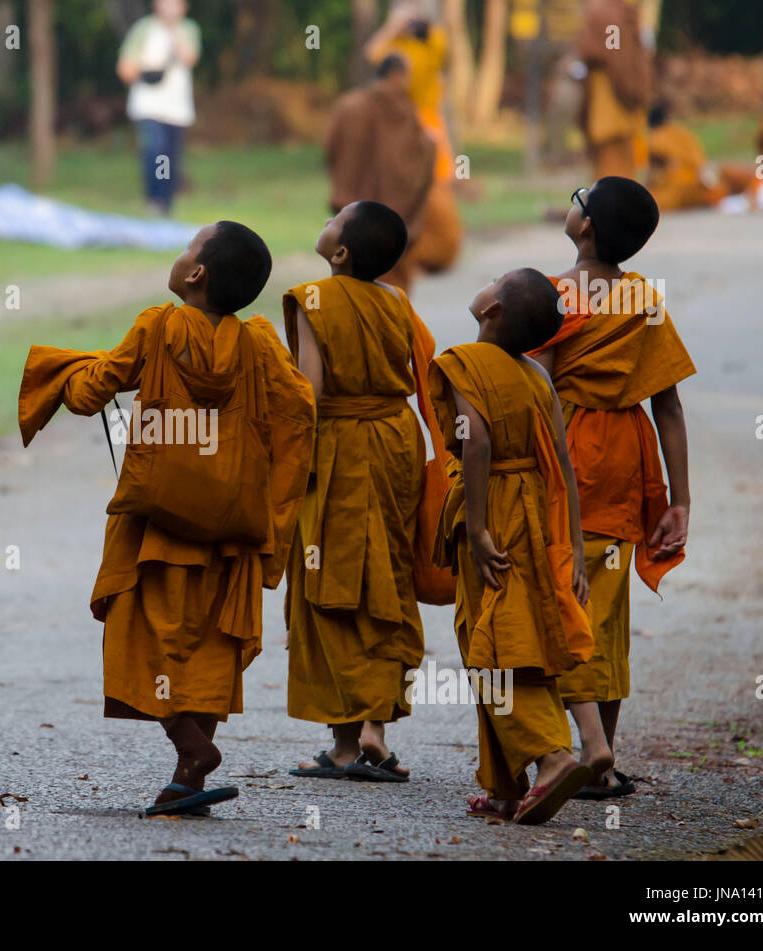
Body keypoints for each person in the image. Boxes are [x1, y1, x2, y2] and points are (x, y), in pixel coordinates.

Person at [18, 221, 315, 816]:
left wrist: (69, 369)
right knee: (208, 643)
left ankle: (191, 747)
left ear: (195, 274)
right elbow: (301, 410)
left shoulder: (158, 326)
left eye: (188, 249)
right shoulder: (258, 343)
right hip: (230, 526)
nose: (180, 257)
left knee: (141, 636)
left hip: (158, 523)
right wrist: (268, 503)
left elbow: (87, 396)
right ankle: (188, 778)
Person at [529, 177, 693, 799]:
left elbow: (537, 390)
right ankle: (607, 757)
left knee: (562, 600)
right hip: (625, 460)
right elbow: (669, 407)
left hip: (566, 453)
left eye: (579, 196)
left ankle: (583, 747)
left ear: (586, 225)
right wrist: (681, 500)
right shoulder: (644, 300)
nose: (572, 202)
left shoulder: (550, 296)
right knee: (608, 609)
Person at [429, 268, 596, 825]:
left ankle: (551, 756)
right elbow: (563, 466)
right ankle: (504, 787)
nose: (486, 281)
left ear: (492, 310)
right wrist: (571, 548)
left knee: (495, 647)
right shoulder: (536, 376)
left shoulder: (462, 363)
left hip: (494, 508)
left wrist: (476, 530)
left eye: (495, 280)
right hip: (534, 510)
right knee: (517, 636)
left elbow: (474, 444)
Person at [282, 202, 439, 782]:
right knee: (388, 577)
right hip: (395, 442)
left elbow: (311, 394)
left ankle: (346, 744)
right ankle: (373, 728)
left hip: (340, 443)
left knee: (331, 584)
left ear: (340, 252)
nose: (330, 214)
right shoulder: (397, 300)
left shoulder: (313, 300)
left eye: (338, 217)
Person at [364, 0, 462, 273]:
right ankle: (400, 250)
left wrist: (422, 27)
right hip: (395, 128)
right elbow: (372, 54)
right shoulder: (394, 45)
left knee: (436, 188)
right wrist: (391, 28)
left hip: (427, 122)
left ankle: (435, 251)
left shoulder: (431, 40)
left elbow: (446, 52)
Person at [325, 55, 435, 292]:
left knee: (349, 280)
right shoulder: (404, 110)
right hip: (393, 216)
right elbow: (422, 154)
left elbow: (331, 150)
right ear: (397, 75)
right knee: (390, 289)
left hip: (350, 209)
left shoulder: (349, 105)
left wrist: (346, 186)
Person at [116, 0, 201, 216]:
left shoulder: (188, 29)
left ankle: (167, 202)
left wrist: (174, 31)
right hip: (149, 105)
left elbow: (190, 57)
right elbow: (125, 68)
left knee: (171, 156)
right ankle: (155, 200)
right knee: (157, 152)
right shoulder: (144, 29)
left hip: (177, 108)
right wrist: (146, 72)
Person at [577, 0, 651, 180]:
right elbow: (614, 55)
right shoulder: (609, 14)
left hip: (615, 92)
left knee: (618, 155)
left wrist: (628, 89)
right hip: (611, 93)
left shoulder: (610, 14)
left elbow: (615, 54)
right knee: (611, 154)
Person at [646, 103, 723, 211]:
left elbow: (661, 165)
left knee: (647, 203)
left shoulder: (655, 138)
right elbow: (700, 160)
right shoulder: (682, 132)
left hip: (677, 187)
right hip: (699, 183)